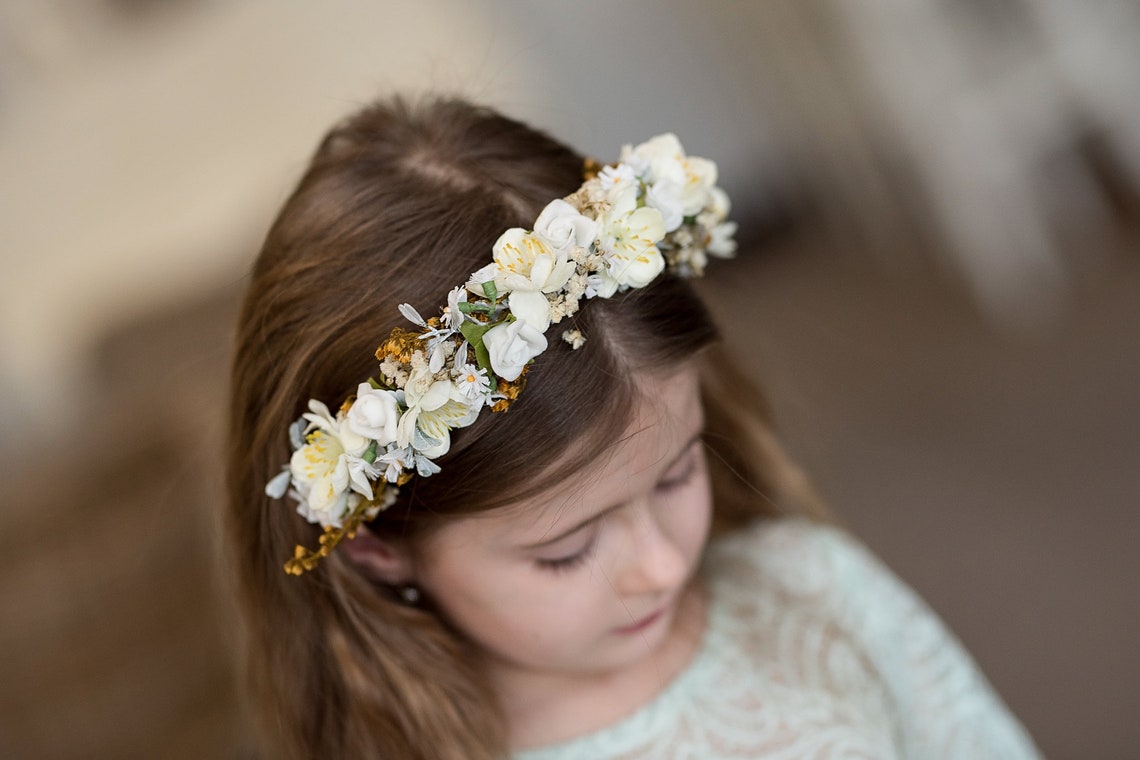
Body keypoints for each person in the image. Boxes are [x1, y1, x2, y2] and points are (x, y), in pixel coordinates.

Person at [226, 96, 1039, 759]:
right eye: (568, 551)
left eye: (680, 472)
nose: (659, 565)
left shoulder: (811, 591)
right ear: (376, 544)